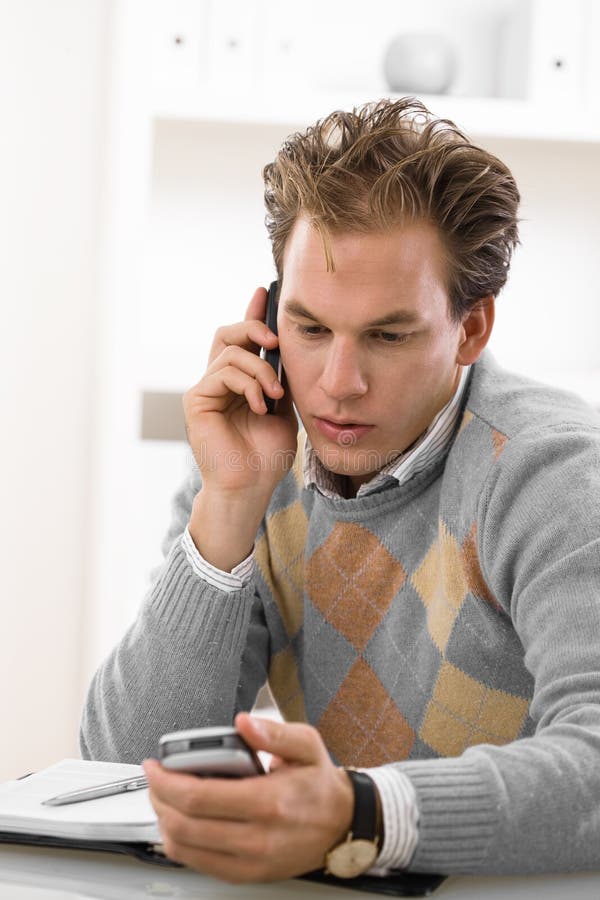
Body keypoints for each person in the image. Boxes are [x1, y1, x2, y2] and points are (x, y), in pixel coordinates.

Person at [80, 97, 600, 882]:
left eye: (389, 336)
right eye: (310, 328)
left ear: (471, 328)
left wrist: (361, 812)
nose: (337, 384)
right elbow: (123, 767)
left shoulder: (552, 474)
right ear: (267, 318)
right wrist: (227, 507)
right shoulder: (259, 454)